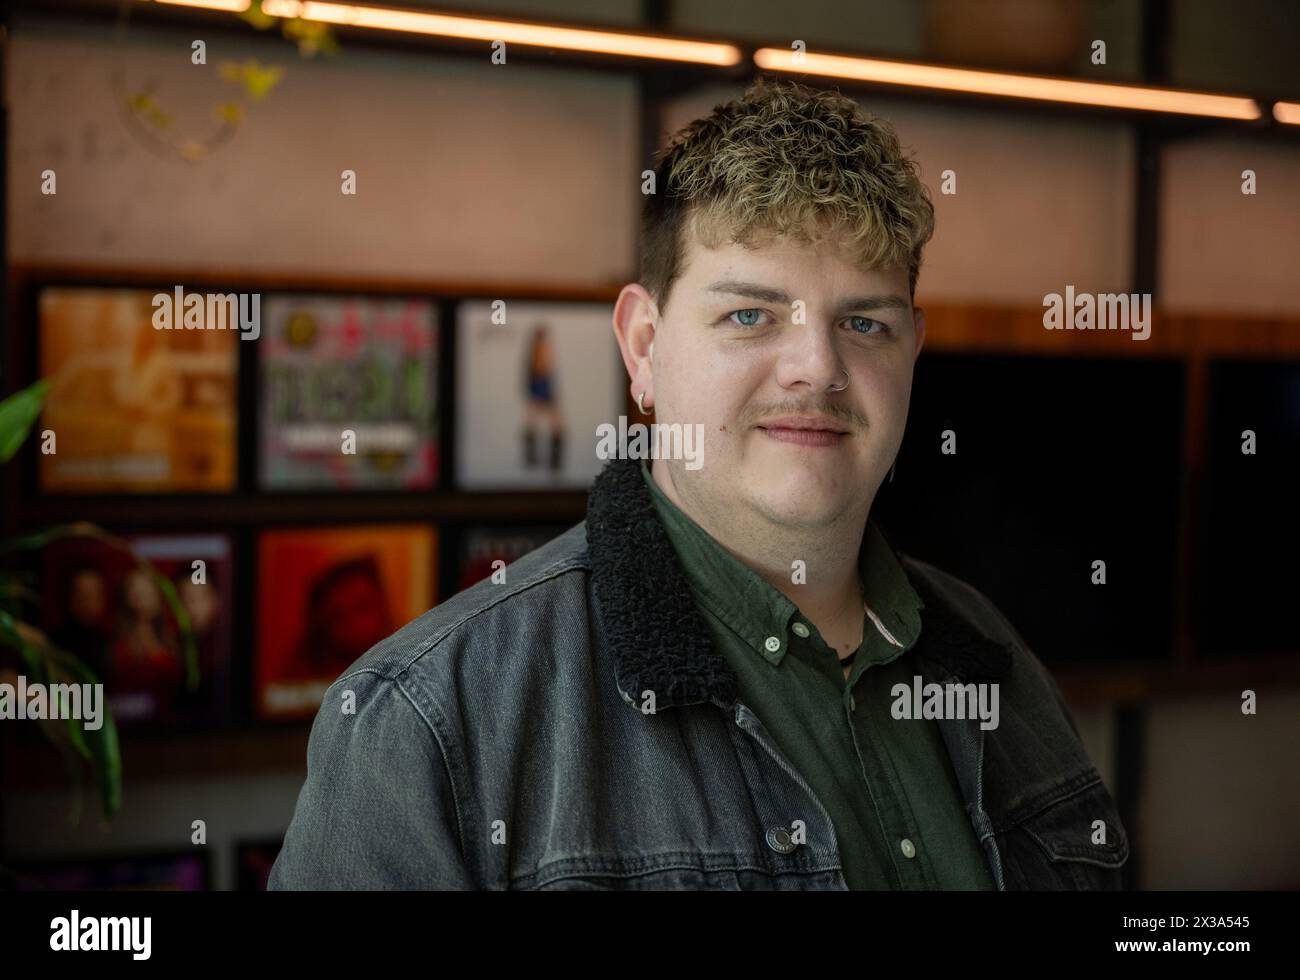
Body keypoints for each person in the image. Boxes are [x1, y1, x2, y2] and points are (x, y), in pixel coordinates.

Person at [270, 78, 1128, 890]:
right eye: (749, 315)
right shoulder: (429, 723)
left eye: (864, 322)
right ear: (643, 346)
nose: (817, 369)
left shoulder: (995, 659)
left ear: (912, 351)